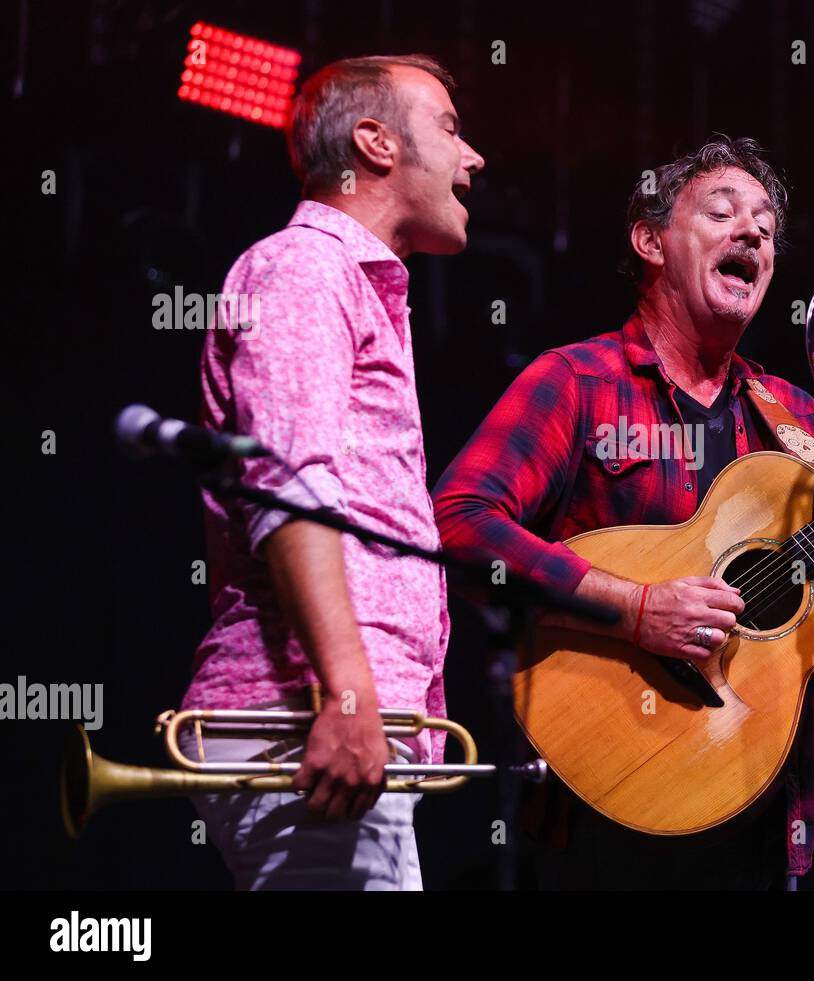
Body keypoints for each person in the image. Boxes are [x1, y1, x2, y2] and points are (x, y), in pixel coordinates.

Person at [433, 136, 814, 889]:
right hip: (606, 808)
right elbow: (458, 524)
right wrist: (634, 606)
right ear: (650, 241)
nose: (753, 235)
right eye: (722, 212)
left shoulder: (799, 417)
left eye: (766, 228)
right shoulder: (577, 381)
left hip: (768, 823)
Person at [183, 54, 485, 890]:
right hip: (304, 713)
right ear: (375, 142)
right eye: (452, 130)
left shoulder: (346, 283)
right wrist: (349, 695)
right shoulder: (306, 269)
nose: (475, 158)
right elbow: (291, 484)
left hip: (331, 714)